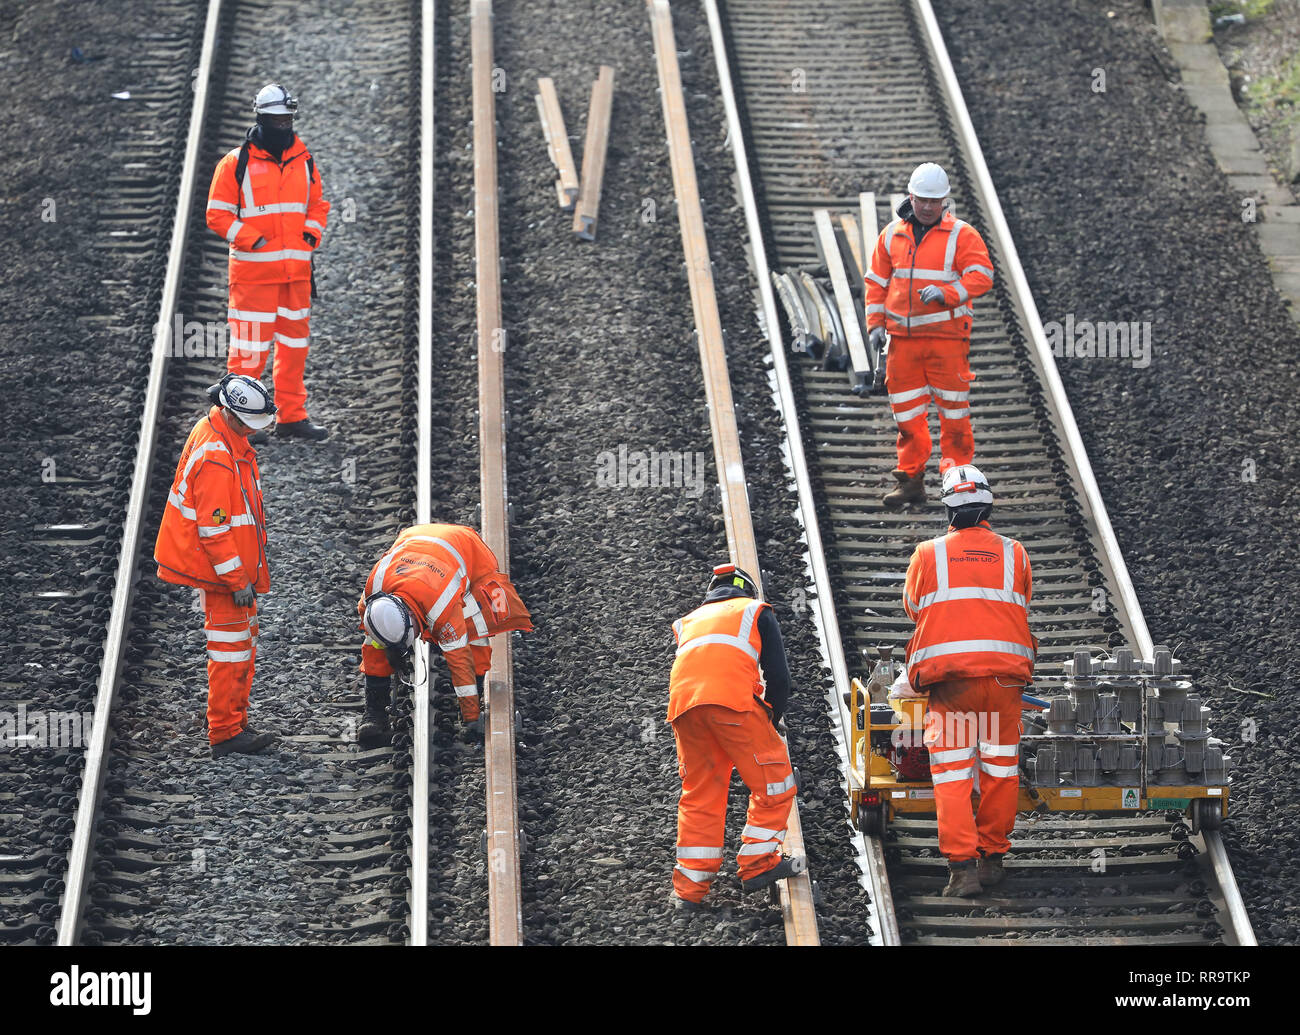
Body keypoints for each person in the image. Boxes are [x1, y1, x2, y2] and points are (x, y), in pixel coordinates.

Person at [902, 462, 1036, 896]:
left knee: (953, 774)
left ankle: (962, 871)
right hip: (1002, 682)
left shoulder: (928, 554)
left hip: (953, 684)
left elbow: (913, 607)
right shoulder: (1015, 551)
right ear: (988, 505)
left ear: (947, 509)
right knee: (1000, 769)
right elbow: (1022, 600)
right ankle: (993, 859)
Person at [667, 563, 805, 912]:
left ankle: (689, 892)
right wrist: (772, 716)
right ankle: (758, 864)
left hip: (685, 709)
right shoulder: (754, 610)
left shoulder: (688, 620)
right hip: (733, 704)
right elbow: (779, 676)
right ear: (746, 590)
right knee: (776, 783)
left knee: (701, 794)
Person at [154, 375, 276, 758]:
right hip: (223, 575)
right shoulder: (217, 458)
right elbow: (214, 530)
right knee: (231, 651)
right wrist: (238, 580)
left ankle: (234, 722)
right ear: (235, 416)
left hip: (231, 570)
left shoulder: (218, 432)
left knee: (243, 644)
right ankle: (225, 732)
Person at [205, 83, 330, 442]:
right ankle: (242, 421)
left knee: (293, 351)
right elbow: (216, 214)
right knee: (248, 352)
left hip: (296, 277)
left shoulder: (303, 161)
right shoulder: (235, 163)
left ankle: (292, 418)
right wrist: (253, 239)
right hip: (254, 277)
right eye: (277, 119)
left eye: (288, 119)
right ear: (261, 118)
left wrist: (309, 236)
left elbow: (318, 205)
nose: (283, 125)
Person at [864, 162, 994, 507]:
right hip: (902, 345)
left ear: (944, 202)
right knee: (907, 417)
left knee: (954, 417)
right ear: (911, 197)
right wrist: (875, 325)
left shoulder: (962, 235)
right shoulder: (892, 234)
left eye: (933, 201)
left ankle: (960, 488)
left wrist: (947, 292)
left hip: (946, 341)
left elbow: (982, 276)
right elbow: (876, 283)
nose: (926, 207)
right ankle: (911, 483)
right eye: (921, 200)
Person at [356, 523, 532, 746]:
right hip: (416, 538)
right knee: (374, 641)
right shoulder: (374, 592)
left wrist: (471, 717)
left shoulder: (442, 607)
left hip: (469, 549)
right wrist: (390, 649)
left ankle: (473, 704)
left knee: (473, 628)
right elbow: (371, 627)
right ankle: (374, 714)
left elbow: (461, 662)